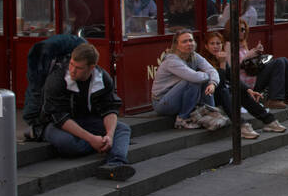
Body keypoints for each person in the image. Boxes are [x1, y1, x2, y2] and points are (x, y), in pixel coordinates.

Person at [41, 42, 136, 179]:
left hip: (87, 121)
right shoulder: (57, 79)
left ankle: (115, 164)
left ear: (91, 67)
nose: (73, 70)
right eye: (71, 64)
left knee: (122, 129)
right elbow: (59, 117)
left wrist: (109, 135)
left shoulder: (103, 78)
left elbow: (109, 108)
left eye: (78, 68)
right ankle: (104, 146)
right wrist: (91, 139)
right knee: (67, 143)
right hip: (56, 124)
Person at [202, 31, 286, 139]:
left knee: (239, 90)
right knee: (225, 91)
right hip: (209, 97)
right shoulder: (204, 61)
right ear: (206, 46)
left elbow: (232, 77)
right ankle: (241, 125)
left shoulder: (220, 58)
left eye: (218, 43)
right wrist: (222, 64)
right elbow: (220, 84)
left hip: (222, 93)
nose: (215, 47)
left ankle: (269, 120)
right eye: (212, 44)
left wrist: (248, 90)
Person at [150, 29, 220, 129]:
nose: (189, 44)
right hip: (162, 103)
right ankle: (182, 119)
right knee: (193, 81)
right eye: (184, 41)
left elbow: (212, 70)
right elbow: (194, 77)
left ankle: (212, 113)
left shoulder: (194, 56)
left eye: (191, 40)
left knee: (206, 81)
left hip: (179, 98)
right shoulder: (172, 60)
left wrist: (213, 83)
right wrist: (207, 75)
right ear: (176, 45)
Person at [22, 32, 86, 140]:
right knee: (67, 141)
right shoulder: (52, 74)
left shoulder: (46, 61)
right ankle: (37, 128)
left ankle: (37, 127)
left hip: (56, 117)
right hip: (54, 118)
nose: (73, 70)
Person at [234, 18, 288, 108]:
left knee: (284, 60)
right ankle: (274, 99)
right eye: (238, 30)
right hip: (246, 85)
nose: (242, 32)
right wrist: (248, 56)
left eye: (243, 29)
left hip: (254, 77)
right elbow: (231, 69)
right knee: (279, 62)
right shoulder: (229, 45)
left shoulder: (243, 44)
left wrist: (256, 52)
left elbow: (247, 64)